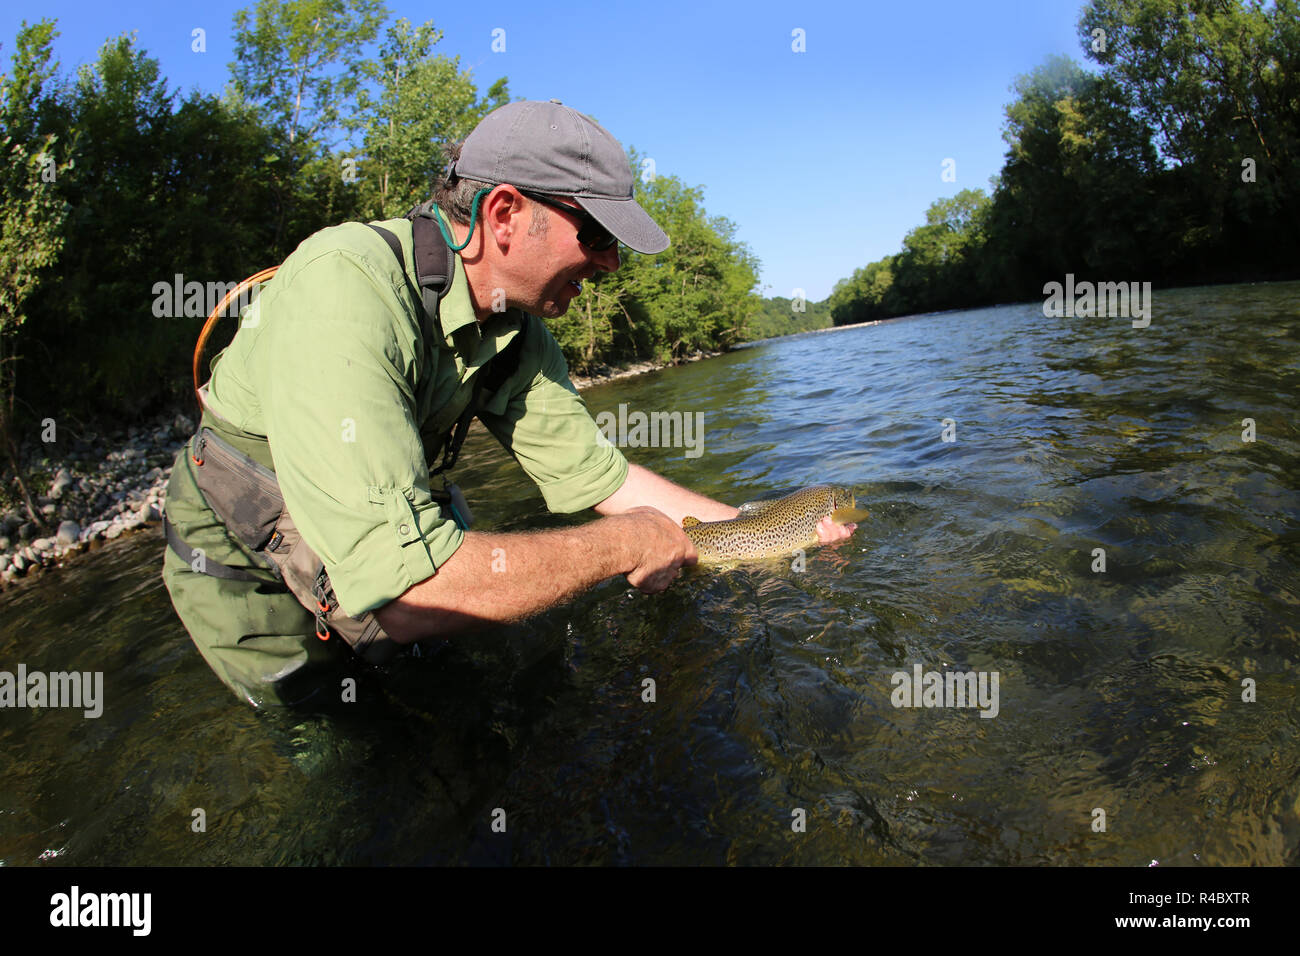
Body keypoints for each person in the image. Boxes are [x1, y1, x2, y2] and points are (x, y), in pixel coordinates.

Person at [161, 100, 853, 707]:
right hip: (244, 554)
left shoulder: (518, 328)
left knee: (465, 698)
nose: (611, 263)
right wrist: (627, 543)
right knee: (336, 742)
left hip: (375, 526)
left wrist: (768, 534)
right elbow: (410, 595)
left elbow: (602, 481)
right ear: (504, 214)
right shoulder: (344, 290)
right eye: (598, 236)